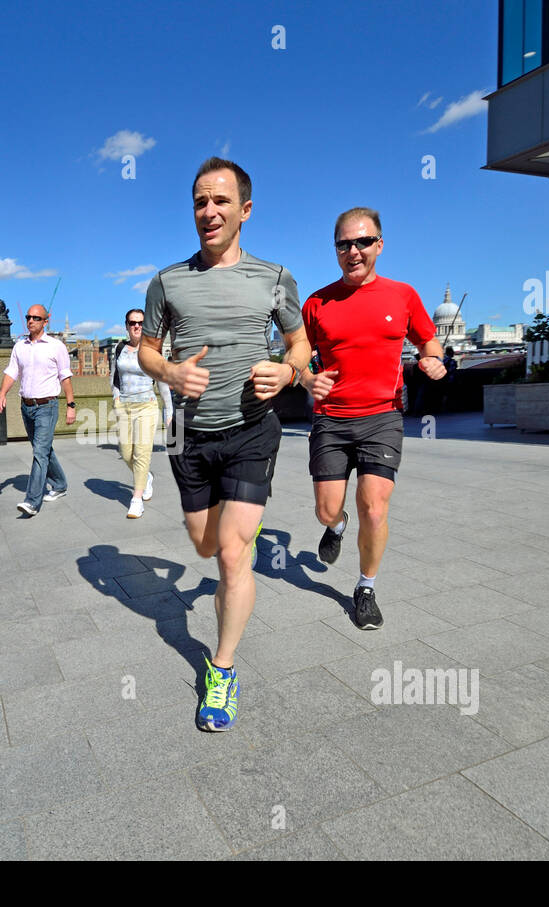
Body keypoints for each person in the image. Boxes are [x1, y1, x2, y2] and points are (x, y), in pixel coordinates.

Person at [138, 156, 311, 732]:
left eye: (220, 201)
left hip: (251, 430)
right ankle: (235, 538)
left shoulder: (275, 277)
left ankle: (222, 670)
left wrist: (287, 375)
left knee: (234, 556)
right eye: (199, 202)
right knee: (204, 547)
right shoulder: (167, 281)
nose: (208, 212)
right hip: (189, 434)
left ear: (245, 210)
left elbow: (299, 345)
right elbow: (146, 350)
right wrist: (170, 374)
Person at [298, 207, 445, 630]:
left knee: (375, 508)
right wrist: (307, 379)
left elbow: (430, 345)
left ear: (379, 245)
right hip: (331, 419)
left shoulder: (402, 296)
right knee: (327, 510)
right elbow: (297, 358)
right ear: (336, 250)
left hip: (382, 416)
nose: (354, 251)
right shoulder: (317, 303)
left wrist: (433, 362)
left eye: (363, 242)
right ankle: (337, 527)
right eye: (344, 244)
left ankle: (365, 587)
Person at [0, 305, 77, 517]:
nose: (31, 321)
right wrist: (2, 393)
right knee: (44, 449)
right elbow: (12, 371)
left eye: (36, 318)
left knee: (39, 452)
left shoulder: (56, 346)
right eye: (28, 317)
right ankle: (59, 484)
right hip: (26, 406)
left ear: (45, 321)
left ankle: (32, 501)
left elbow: (65, 376)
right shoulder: (19, 346)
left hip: (47, 406)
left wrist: (70, 405)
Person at [111, 308, 174, 518]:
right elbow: (114, 378)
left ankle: (136, 499)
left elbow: (163, 382)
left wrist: (169, 409)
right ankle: (145, 477)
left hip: (146, 405)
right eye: (132, 323)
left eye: (140, 323)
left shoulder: (152, 351)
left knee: (142, 452)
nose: (136, 326)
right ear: (127, 326)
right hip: (124, 406)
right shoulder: (120, 348)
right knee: (126, 453)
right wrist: (116, 399)